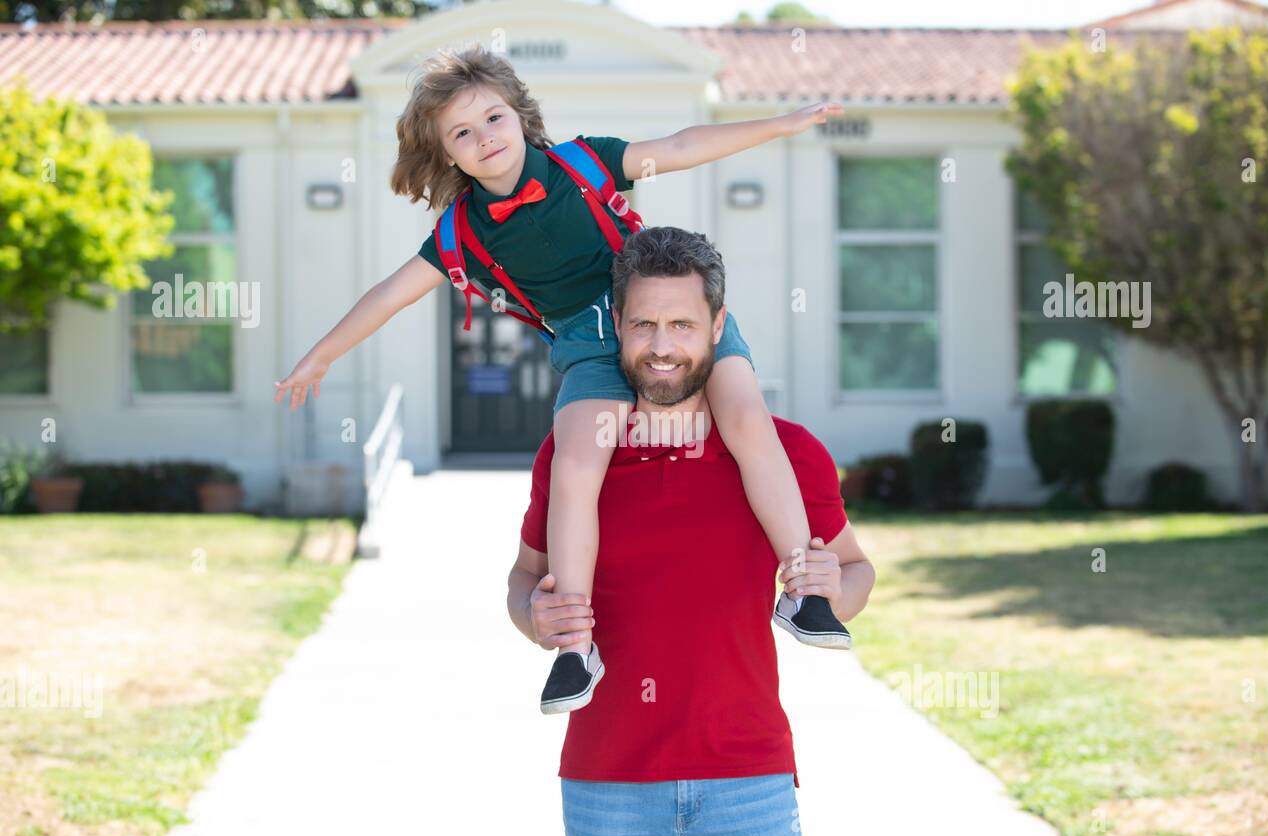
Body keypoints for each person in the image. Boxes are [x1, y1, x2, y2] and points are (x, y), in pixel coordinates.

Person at [272, 44, 852, 718]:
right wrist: (320, 355)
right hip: (588, 342)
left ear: (520, 115)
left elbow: (683, 142)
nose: (484, 138)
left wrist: (778, 125)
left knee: (748, 418)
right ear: (446, 155)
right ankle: (576, 646)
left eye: (493, 117)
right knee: (576, 464)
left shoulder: (582, 162)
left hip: (661, 310)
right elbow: (388, 294)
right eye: (462, 133)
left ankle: (804, 591)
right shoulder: (461, 234)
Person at [505, 225, 876, 836]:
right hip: (607, 782)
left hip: (748, 777)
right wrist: (536, 619)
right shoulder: (576, 452)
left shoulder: (786, 454)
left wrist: (832, 588)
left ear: (718, 325)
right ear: (616, 323)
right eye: (644, 324)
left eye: (682, 325)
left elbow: (857, 570)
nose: (662, 347)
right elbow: (523, 579)